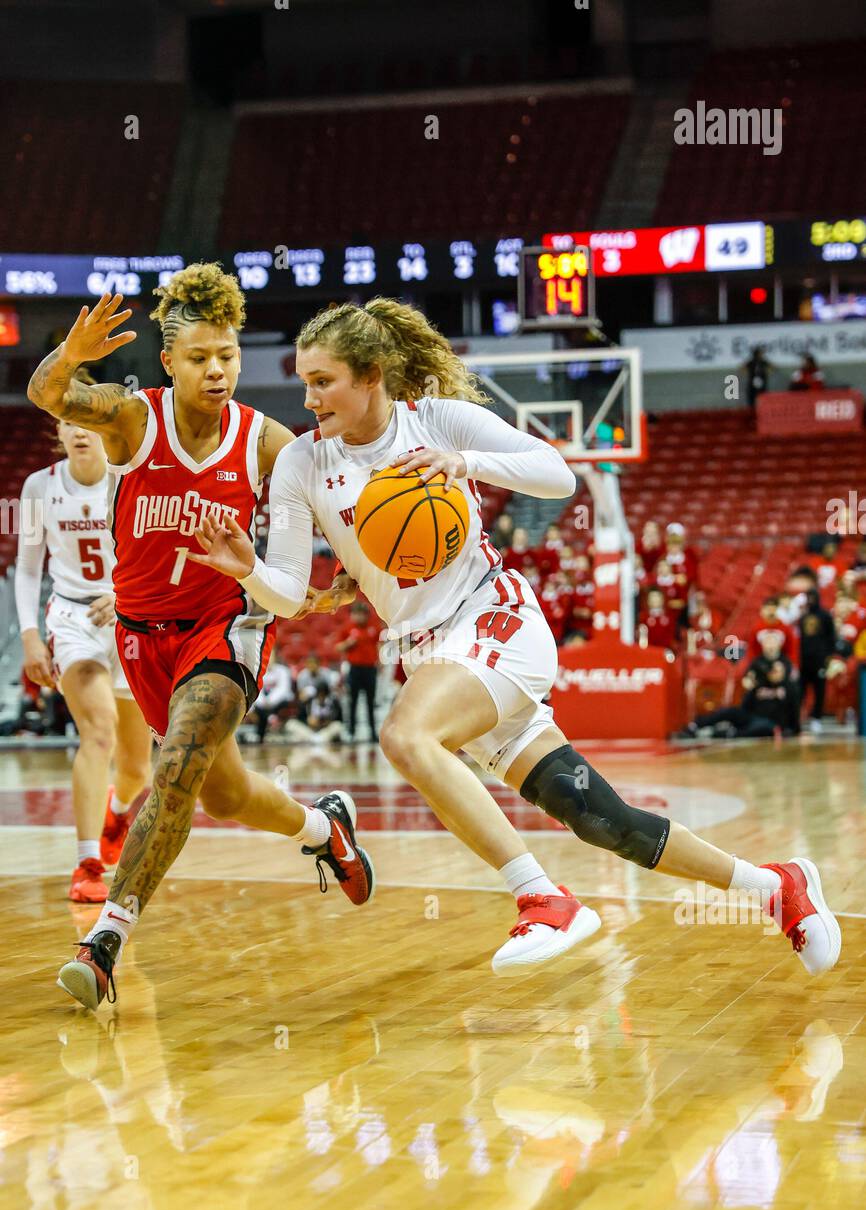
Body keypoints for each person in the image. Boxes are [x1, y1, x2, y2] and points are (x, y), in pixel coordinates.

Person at [192, 296, 841, 980]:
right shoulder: (300, 464)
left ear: (372, 375)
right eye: (303, 381)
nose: (309, 395)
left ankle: (543, 898)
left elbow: (557, 476)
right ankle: (775, 887)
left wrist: (462, 462)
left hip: (493, 616)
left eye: (323, 380)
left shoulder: (435, 419)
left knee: (406, 738)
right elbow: (292, 593)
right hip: (429, 654)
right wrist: (251, 570)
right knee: (601, 819)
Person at [27, 270, 374, 1012]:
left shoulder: (266, 443)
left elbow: (327, 513)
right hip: (140, 637)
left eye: (228, 356)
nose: (216, 370)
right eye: (199, 358)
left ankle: (105, 940)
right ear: (169, 362)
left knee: (176, 767)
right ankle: (325, 827)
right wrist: (69, 355)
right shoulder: (129, 420)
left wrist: (343, 572)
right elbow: (47, 395)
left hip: (225, 627)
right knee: (224, 792)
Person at [14, 376, 153, 902]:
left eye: (87, 420)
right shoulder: (39, 486)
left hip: (131, 620)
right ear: (60, 426)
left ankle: (118, 815)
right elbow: (28, 571)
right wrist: (32, 637)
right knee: (97, 732)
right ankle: (87, 863)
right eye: (68, 420)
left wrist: (123, 594)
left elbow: (156, 559)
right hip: (72, 620)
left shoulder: (129, 480)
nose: (78, 430)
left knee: (137, 768)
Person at [681, 633, 801, 739]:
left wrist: (794, 729)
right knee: (729, 712)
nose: (774, 673)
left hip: (771, 722)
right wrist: (749, 691)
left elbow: (794, 708)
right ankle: (695, 726)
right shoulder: (758, 674)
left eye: (778, 671)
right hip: (752, 716)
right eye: (772, 671)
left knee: (762, 727)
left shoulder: (789, 686)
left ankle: (727, 734)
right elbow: (746, 701)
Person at [336, 600, 379, 742]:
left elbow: (379, 644)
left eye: (362, 614)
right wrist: (349, 643)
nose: (360, 617)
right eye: (356, 614)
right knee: (352, 701)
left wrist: (380, 660)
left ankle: (373, 733)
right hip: (354, 669)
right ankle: (352, 733)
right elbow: (338, 648)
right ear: (352, 615)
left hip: (370, 669)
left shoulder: (374, 628)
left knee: (370, 702)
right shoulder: (347, 628)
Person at [798, 587, 837, 731]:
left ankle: (817, 718)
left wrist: (829, 657)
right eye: (808, 597)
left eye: (813, 597)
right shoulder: (803, 616)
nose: (811, 600)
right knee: (800, 691)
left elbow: (831, 637)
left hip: (820, 660)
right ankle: (799, 717)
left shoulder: (825, 616)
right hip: (804, 661)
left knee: (819, 691)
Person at [250, 653, 294, 743]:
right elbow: (256, 689)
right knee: (254, 705)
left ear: (275, 657)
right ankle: (263, 733)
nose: (269, 659)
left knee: (284, 701)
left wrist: (270, 701)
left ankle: (269, 726)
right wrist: (263, 702)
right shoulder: (258, 670)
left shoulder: (283, 670)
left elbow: (283, 689)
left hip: (279, 702)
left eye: (271, 656)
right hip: (263, 704)